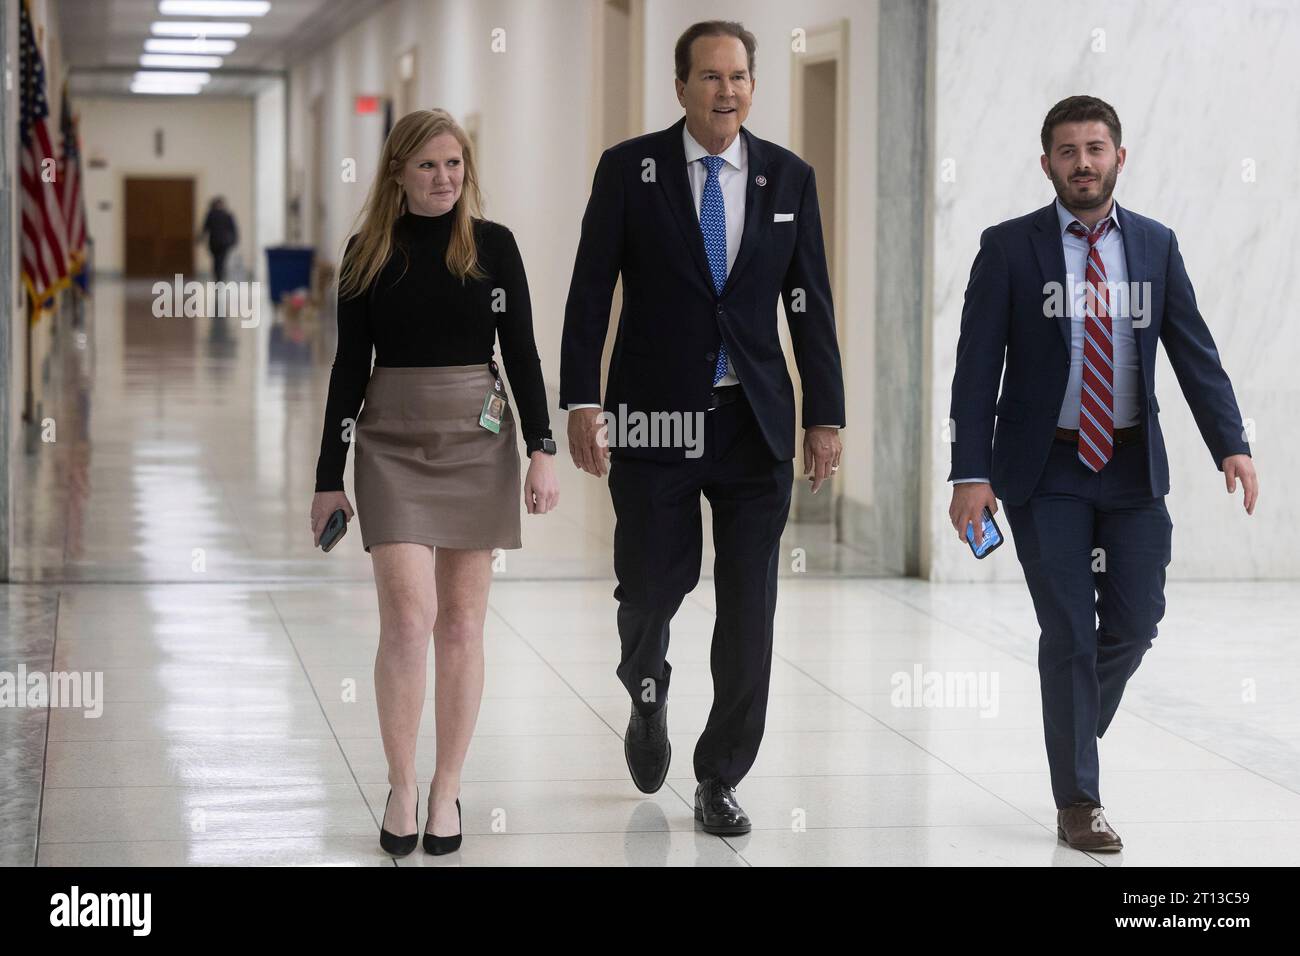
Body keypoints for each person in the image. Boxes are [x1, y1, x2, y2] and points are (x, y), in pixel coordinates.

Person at [947, 95, 1259, 852]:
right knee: (1069, 632)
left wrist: (1232, 444)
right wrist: (969, 473)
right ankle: (1079, 799)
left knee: (1134, 623)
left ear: (1120, 157)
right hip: (1044, 468)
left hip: (1128, 465)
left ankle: (1073, 721)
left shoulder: (1154, 245)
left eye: (1095, 148)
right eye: (1067, 150)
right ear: (1047, 162)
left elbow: (1194, 351)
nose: (1081, 163)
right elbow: (976, 367)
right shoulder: (1009, 248)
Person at [560, 20, 846, 835]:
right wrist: (582, 398)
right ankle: (645, 689)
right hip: (656, 418)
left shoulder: (788, 178)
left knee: (749, 606)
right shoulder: (630, 171)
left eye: (740, 77)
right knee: (653, 586)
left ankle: (720, 775)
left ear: (754, 86)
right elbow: (590, 291)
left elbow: (809, 306)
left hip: (754, 420)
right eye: (711, 77)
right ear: (680, 85)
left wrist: (824, 413)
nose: (728, 91)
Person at [310, 108, 560, 857]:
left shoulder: (495, 248)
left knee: (461, 622)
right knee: (410, 619)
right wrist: (329, 476)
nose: (444, 178)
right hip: (388, 443)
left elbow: (522, 352)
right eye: (427, 165)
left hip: (476, 441)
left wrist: (542, 448)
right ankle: (401, 781)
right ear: (397, 172)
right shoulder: (367, 255)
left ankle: (448, 785)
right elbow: (348, 368)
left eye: (454, 164)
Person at [197, 196, 238, 281]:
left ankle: (218, 277)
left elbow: (205, 229)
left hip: (215, 243)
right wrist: (234, 241)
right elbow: (233, 230)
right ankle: (219, 277)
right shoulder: (226, 215)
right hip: (222, 243)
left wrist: (199, 239)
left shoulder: (212, 215)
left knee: (217, 261)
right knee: (220, 261)